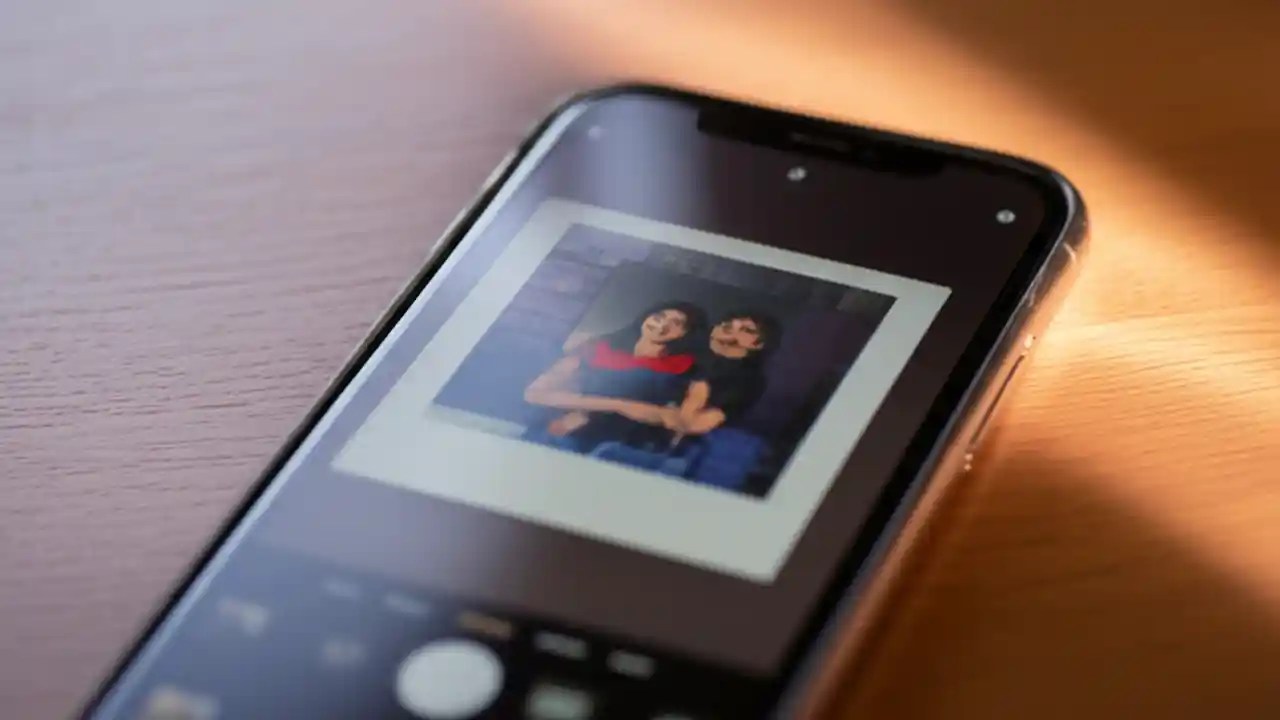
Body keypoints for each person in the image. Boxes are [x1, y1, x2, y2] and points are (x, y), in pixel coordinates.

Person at [522, 301, 706, 450]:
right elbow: (535, 394)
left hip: (626, 444)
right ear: (645, 318)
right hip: (561, 431)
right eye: (659, 316)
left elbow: (673, 419)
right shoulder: (597, 347)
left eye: (676, 323)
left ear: (686, 334)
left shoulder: (684, 367)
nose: (662, 325)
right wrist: (619, 405)